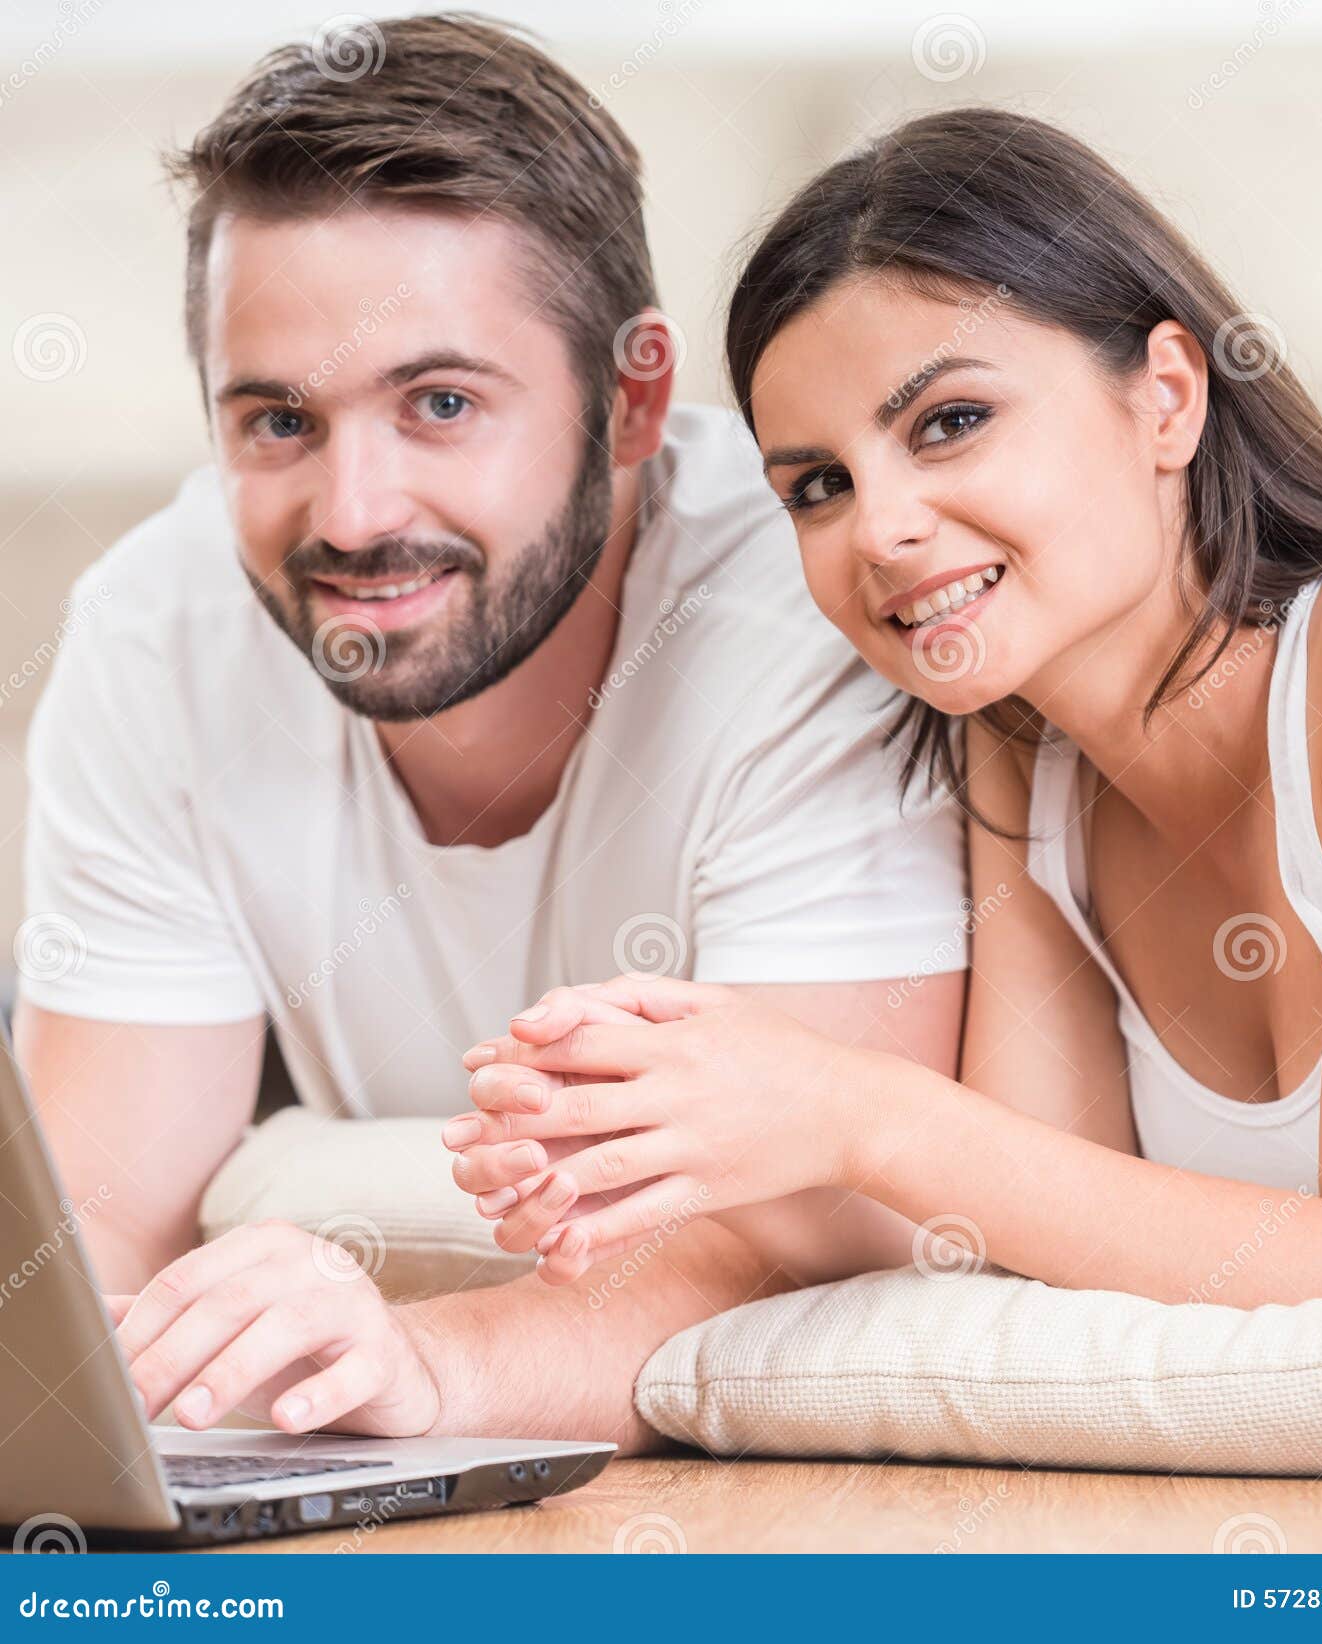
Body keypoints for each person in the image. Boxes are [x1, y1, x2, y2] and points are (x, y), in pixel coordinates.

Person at [452, 106, 1322, 1308]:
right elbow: (1039, 1263)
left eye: (949, 422)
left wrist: (854, 1109)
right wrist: (653, 1122)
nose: (880, 529)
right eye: (819, 486)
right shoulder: (1019, 756)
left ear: (1165, 396)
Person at [15, 18, 966, 1447]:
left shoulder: (810, 612)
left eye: (441, 403)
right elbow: (92, 1236)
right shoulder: (157, 628)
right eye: (279, 420)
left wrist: (430, 1368)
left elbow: (813, 1229)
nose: (352, 514)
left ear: (635, 394)